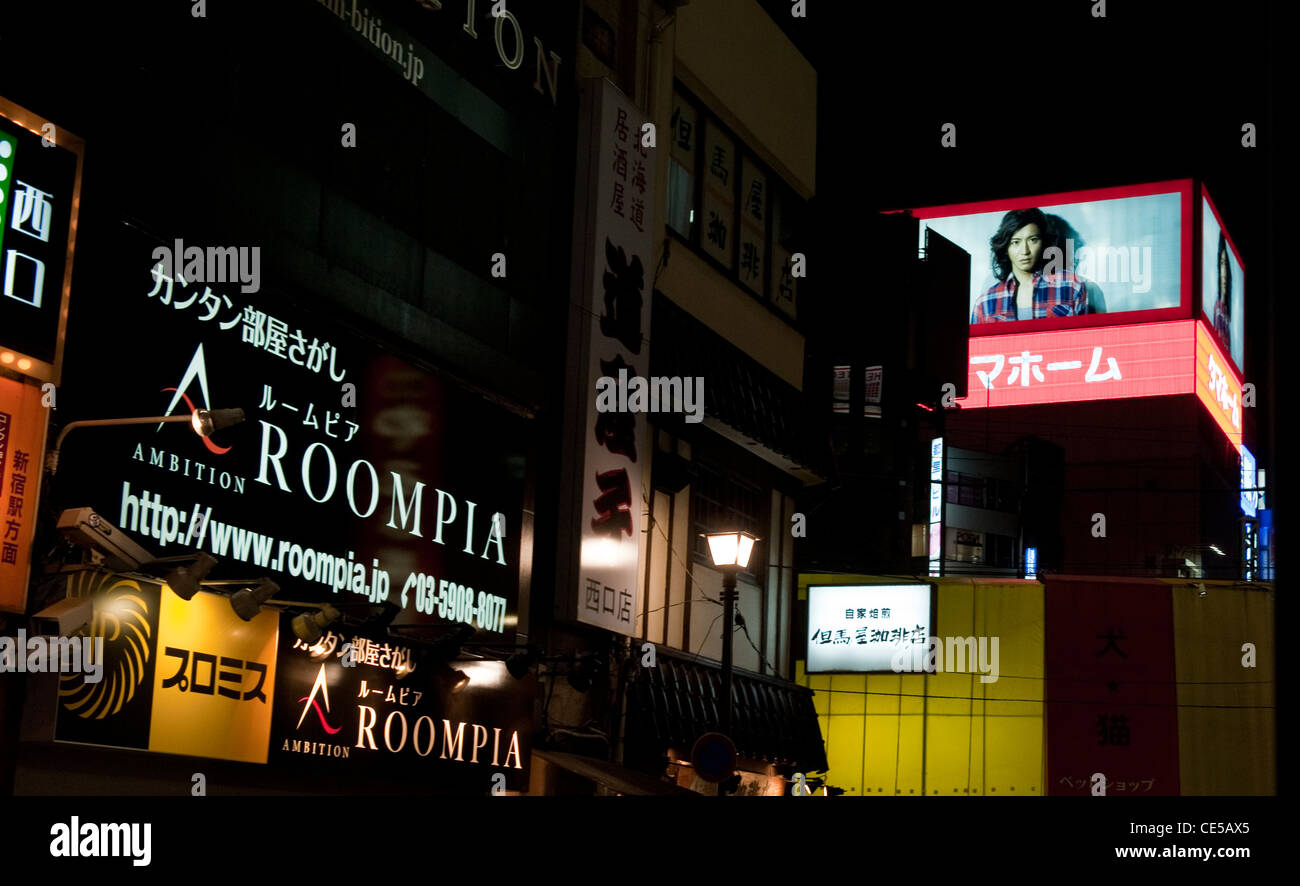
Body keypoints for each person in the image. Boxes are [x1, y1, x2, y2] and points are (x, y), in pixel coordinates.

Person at [970, 208, 1089, 323]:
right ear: (1006, 247)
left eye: (1033, 240)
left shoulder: (1073, 286)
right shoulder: (984, 303)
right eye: (1016, 242)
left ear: (1044, 243)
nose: (1025, 251)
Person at [1213, 232, 1232, 344]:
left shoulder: (1227, 314)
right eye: (1221, 264)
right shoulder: (1217, 308)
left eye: (1225, 264)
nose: (1223, 273)